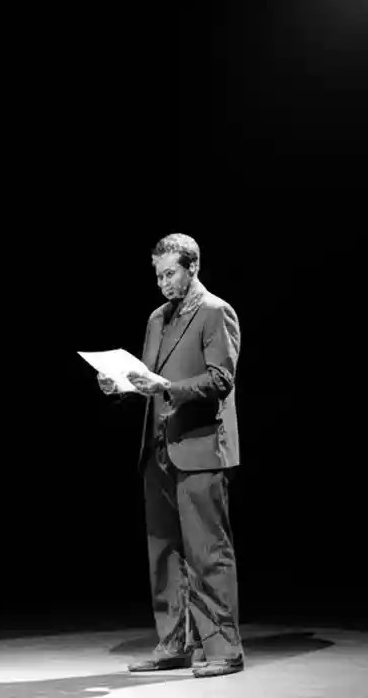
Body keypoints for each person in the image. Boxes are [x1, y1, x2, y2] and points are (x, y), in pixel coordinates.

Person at [96, 233, 244, 679]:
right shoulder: (157, 318)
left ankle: (224, 648)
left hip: (199, 445)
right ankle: (175, 642)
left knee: (207, 550)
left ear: (192, 267)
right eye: (158, 274)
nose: (163, 282)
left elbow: (220, 378)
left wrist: (169, 389)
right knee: (164, 553)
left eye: (170, 273)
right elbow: (147, 378)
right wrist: (120, 387)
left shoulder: (217, 312)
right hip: (157, 448)